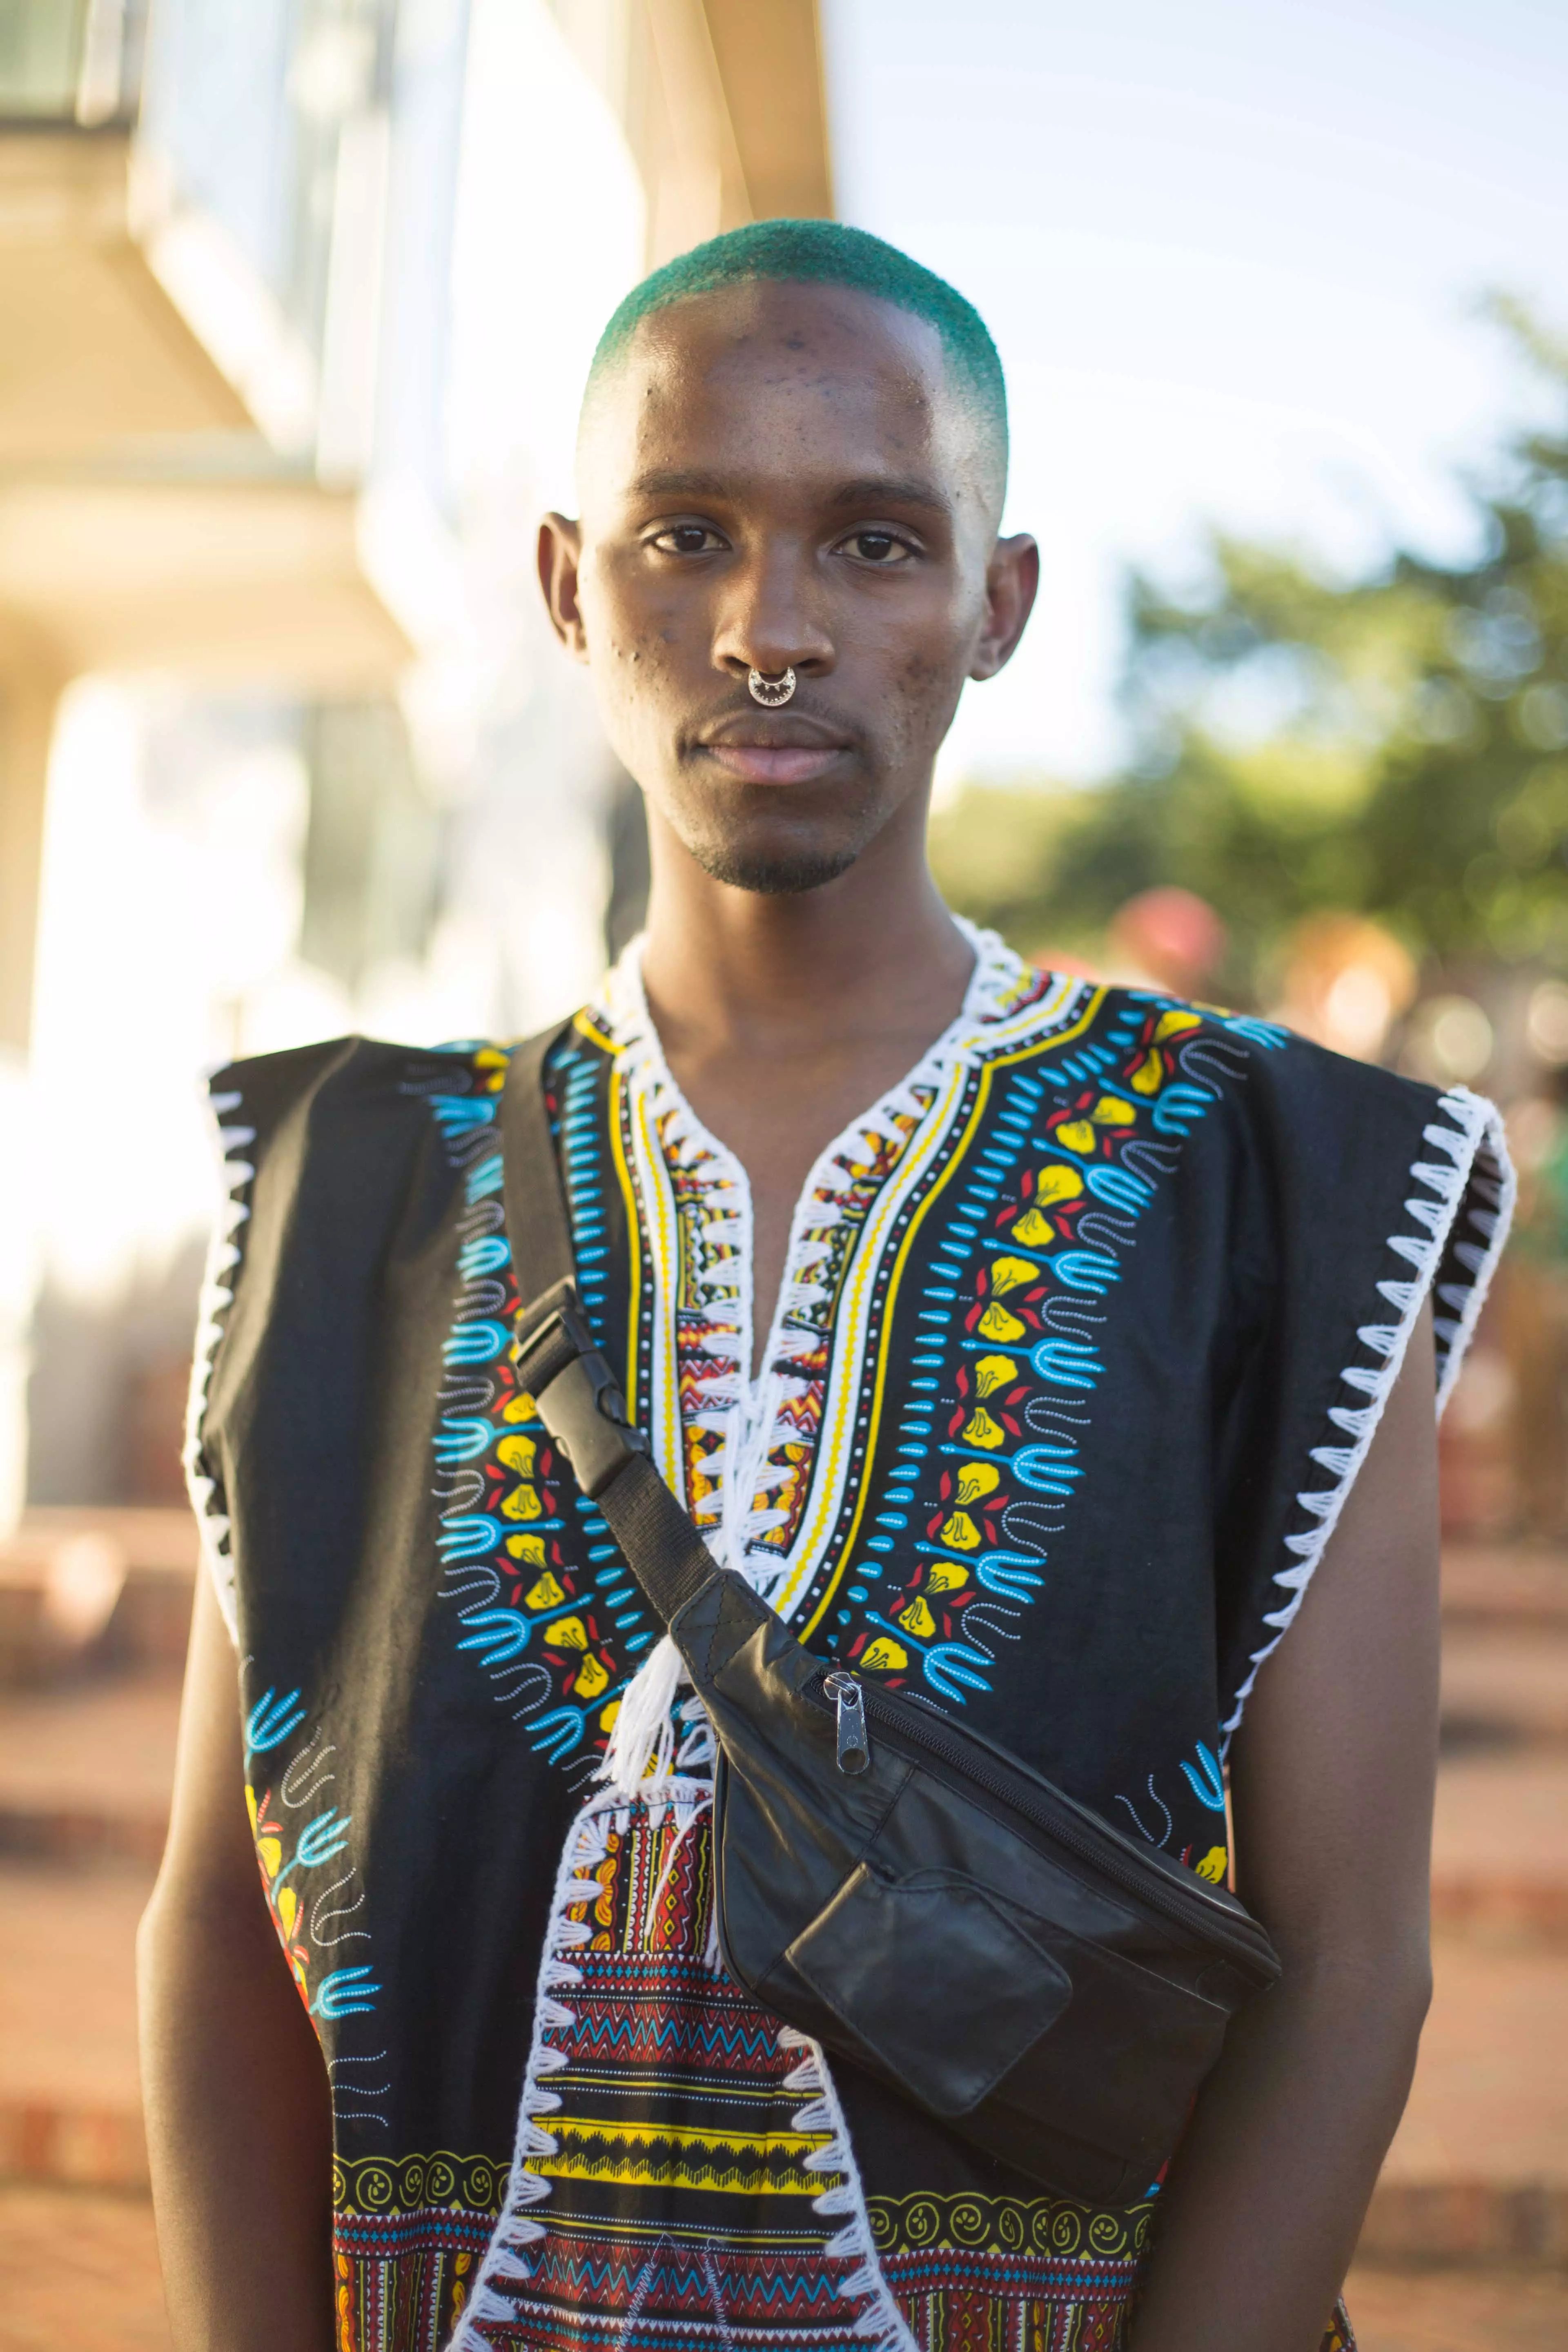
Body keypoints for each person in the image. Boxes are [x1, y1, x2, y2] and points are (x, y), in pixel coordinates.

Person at [139, 220, 1513, 2352]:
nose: (771, 629)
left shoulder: (1286, 1183)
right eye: (687, 532)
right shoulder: (344, 1188)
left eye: (875, 543)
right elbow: (230, 1919)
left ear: (997, 602)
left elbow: (1352, 1964)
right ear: (571, 589)